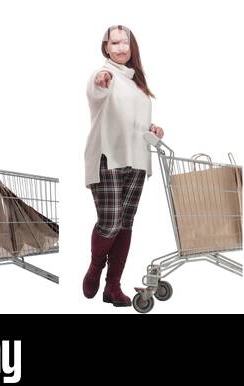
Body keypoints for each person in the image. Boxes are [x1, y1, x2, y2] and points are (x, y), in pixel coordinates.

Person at [82, 25, 165, 308]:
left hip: (137, 158)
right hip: (109, 158)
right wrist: (101, 77)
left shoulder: (136, 82)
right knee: (110, 223)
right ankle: (95, 268)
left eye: (125, 43)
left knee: (125, 224)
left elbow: (134, 118)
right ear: (105, 47)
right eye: (114, 43)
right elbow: (96, 87)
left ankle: (113, 287)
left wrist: (151, 128)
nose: (120, 48)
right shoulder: (104, 75)